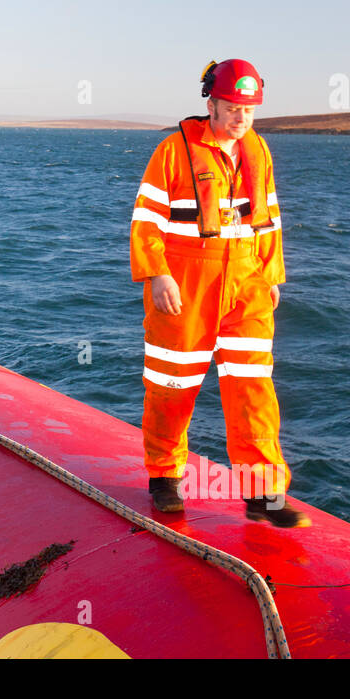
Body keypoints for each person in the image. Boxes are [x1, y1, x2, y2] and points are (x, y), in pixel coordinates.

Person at [130, 59, 309, 528]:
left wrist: (271, 276)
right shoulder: (173, 151)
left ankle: (262, 493)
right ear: (211, 104)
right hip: (187, 283)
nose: (240, 119)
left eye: (248, 111)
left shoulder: (259, 152)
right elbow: (146, 220)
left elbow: (268, 216)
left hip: (247, 283)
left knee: (253, 388)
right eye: (232, 108)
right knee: (173, 384)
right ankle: (165, 477)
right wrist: (157, 274)